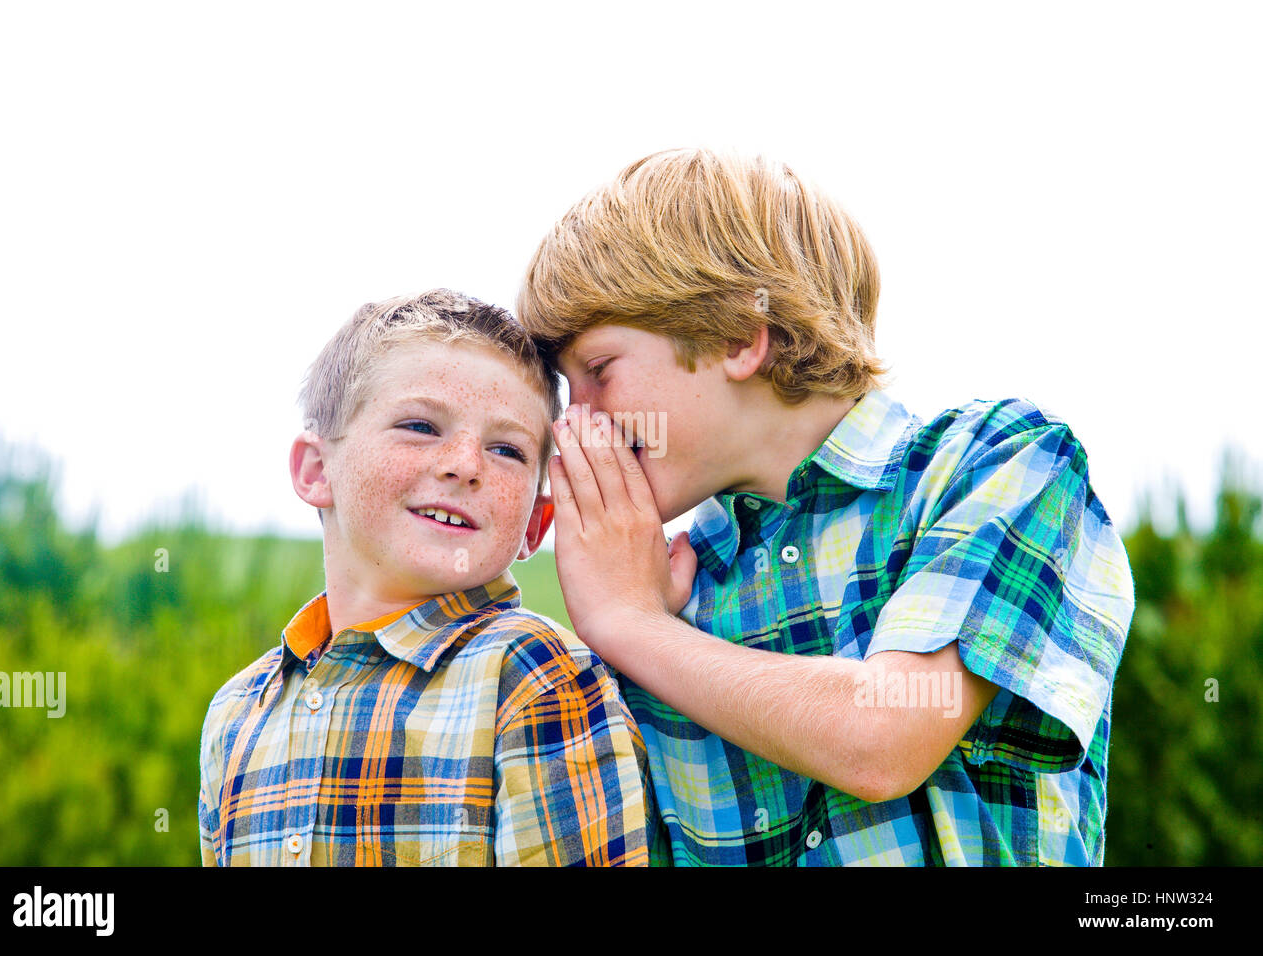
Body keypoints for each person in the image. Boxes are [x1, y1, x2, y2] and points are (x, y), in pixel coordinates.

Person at [515, 148, 1135, 866]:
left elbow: (885, 741)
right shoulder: (667, 589)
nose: (576, 423)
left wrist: (630, 625)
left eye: (598, 372)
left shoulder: (997, 462)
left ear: (738, 337)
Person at [198, 289, 650, 866]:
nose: (464, 464)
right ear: (317, 472)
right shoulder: (237, 712)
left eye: (507, 450)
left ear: (536, 524)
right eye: (420, 426)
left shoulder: (532, 676)